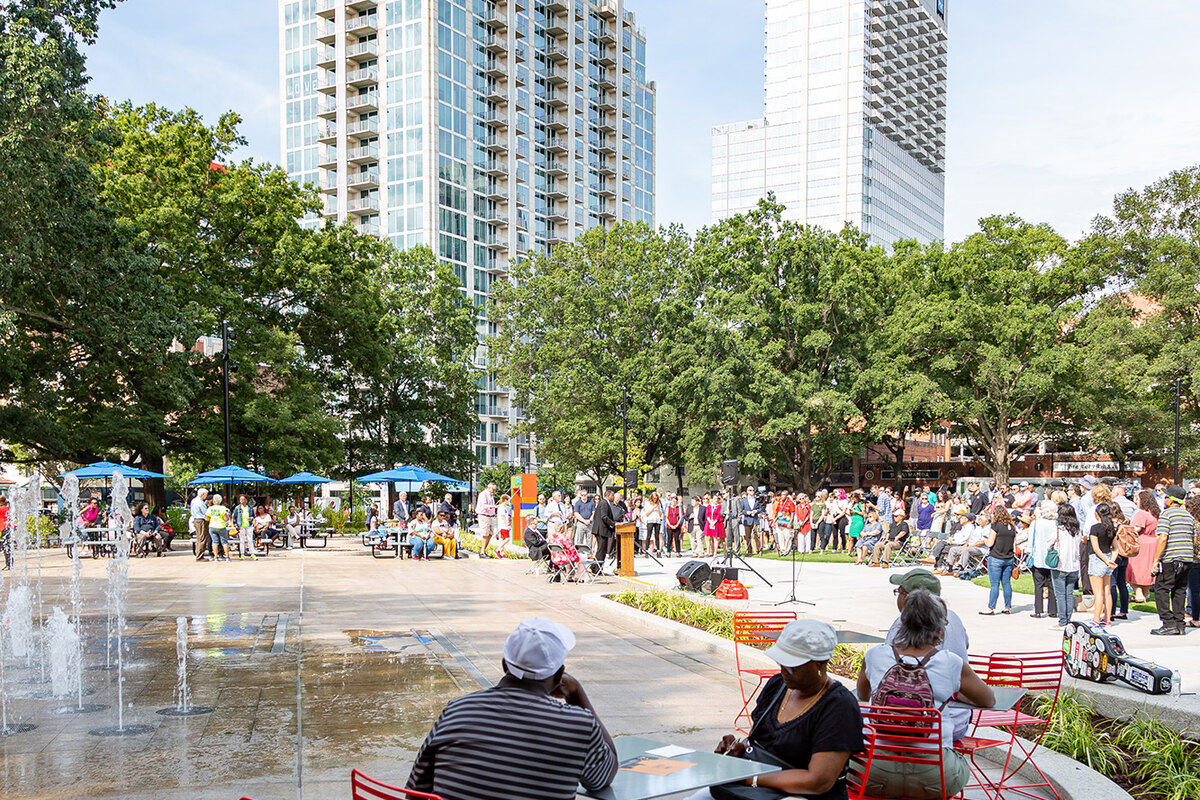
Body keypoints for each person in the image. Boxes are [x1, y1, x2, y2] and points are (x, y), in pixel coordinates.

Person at [407, 618, 617, 800]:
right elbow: (604, 777)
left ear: (504, 665)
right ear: (560, 674)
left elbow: (415, 791)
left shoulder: (457, 711)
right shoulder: (578, 725)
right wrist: (576, 693)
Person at [688, 620, 864, 800]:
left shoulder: (838, 706)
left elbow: (818, 781)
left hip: (803, 794)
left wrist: (752, 778)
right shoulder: (778, 685)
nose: (784, 670)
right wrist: (740, 747)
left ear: (820, 663)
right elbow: (761, 740)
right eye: (781, 662)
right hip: (758, 786)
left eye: (793, 665)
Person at [858, 590, 995, 799]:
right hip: (934, 777)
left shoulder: (875, 655)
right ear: (939, 629)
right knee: (959, 762)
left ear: (903, 623)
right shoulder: (951, 663)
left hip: (873, 773)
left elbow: (862, 693)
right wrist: (954, 693)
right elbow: (988, 700)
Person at [1151, 485, 1196, 636]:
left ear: (1171, 500)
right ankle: (1179, 624)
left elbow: (1163, 538)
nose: (1164, 500)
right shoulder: (1189, 516)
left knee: (1161, 589)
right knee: (1179, 590)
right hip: (1187, 558)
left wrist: (1156, 560)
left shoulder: (1166, 514)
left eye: (1166, 497)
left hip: (1171, 559)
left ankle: (1168, 623)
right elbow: (1194, 540)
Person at [1050, 504, 1083, 630]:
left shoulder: (1058, 529)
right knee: (1069, 594)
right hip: (1074, 565)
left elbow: (1049, 542)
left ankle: (1063, 621)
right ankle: (1068, 619)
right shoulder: (1077, 530)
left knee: (1060, 595)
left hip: (1060, 565)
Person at [980, 506, 1016, 615]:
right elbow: (1014, 543)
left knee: (995, 584)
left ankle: (991, 607)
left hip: (996, 557)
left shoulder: (996, 526)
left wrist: (984, 541)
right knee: (1006, 583)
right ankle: (1007, 607)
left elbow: (990, 543)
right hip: (1008, 558)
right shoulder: (1012, 527)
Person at [1086, 503, 1118, 626]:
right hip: (1108, 558)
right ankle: (1107, 619)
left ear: (1096, 514)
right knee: (1107, 591)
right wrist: (1111, 560)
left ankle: (1096, 619)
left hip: (1097, 559)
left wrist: (1105, 560)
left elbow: (1095, 548)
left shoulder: (1095, 528)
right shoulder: (1112, 528)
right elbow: (1116, 548)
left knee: (1098, 593)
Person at [1028, 500, 1059, 619]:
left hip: (1038, 557)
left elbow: (1031, 540)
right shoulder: (1056, 523)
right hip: (1052, 557)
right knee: (1052, 584)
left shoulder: (1036, 523)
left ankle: (1038, 610)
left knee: (1038, 585)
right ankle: (1053, 610)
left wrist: (1029, 552)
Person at [1128, 489, 1160, 602]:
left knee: (1134, 570)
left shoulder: (1141, 514)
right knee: (1147, 570)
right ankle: (1145, 594)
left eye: (1138, 499)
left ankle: (1138, 594)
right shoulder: (1155, 513)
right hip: (1153, 542)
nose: (1136, 501)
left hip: (1142, 543)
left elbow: (1137, 529)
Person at [594, 489, 619, 568]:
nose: (613, 497)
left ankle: (596, 568)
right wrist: (613, 524)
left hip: (602, 530)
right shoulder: (604, 503)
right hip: (601, 530)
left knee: (602, 550)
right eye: (612, 495)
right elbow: (604, 517)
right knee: (601, 551)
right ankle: (595, 569)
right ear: (608, 496)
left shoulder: (605, 503)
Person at [206, 494, 231, 562]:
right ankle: (227, 557)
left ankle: (216, 557)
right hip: (221, 526)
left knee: (214, 542)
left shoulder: (210, 508)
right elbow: (226, 519)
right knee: (224, 542)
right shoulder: (222, 508)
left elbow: (207, 518)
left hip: (212, 526)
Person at [475, 482, 498, 558]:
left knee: (490, 533)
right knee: (485, 534)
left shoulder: (491, 495)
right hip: (484, 515)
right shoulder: (483, 494)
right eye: (493, 489)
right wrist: (493, 506)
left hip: (490, 516)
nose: (494, 491)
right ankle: (482, 552)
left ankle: (484, 550)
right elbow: (484, 505)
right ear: (489, 488)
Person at [233, 494, 257, 560]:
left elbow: (253, 516)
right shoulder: (237, 508)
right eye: (240, 499)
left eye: (243, 499)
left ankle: (252, 553)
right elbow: (234, 517)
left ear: (246, 500)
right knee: (242, 540)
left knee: (250, 540)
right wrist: (236, 525)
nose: (241, 501)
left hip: (249, 525)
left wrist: (251, 518)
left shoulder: (250, 507)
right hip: (241, 526)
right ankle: (242, 554)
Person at [190, 488, 211, 562]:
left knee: (199, 538)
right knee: (202, 538)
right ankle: (200, 556)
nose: (206, 496)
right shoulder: (201, 502)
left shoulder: (194, 500)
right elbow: (206, 512)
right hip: (201, 520)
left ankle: (198, 554)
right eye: (206, 495)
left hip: (196, 519)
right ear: (203, 494)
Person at [740, 487, 762, 556]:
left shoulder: (756, 499)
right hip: (747, 519)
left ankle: (759, 550)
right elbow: (741, 510)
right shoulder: (743, 500)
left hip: (755, 519)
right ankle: (749, 551)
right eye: (750, 490)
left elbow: (760, 509)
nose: (752, 491)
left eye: (753, 490)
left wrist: (756, 511)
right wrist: (746, 512)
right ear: (747, 491)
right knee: (748, 536)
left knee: (757, 535)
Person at [704, 492, 724, 557]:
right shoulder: (709, 506)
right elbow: (707, 514)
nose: (716, 500)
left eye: (717, 499)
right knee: (707, 537)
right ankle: (708, 551)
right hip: (709, 522)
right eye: (715, 499)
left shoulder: (719, 506)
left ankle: (715, 552)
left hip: (716, 522)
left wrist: (714, 522)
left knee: (715, 538)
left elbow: (718, 515)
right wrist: (710, 522)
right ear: (712, 499)